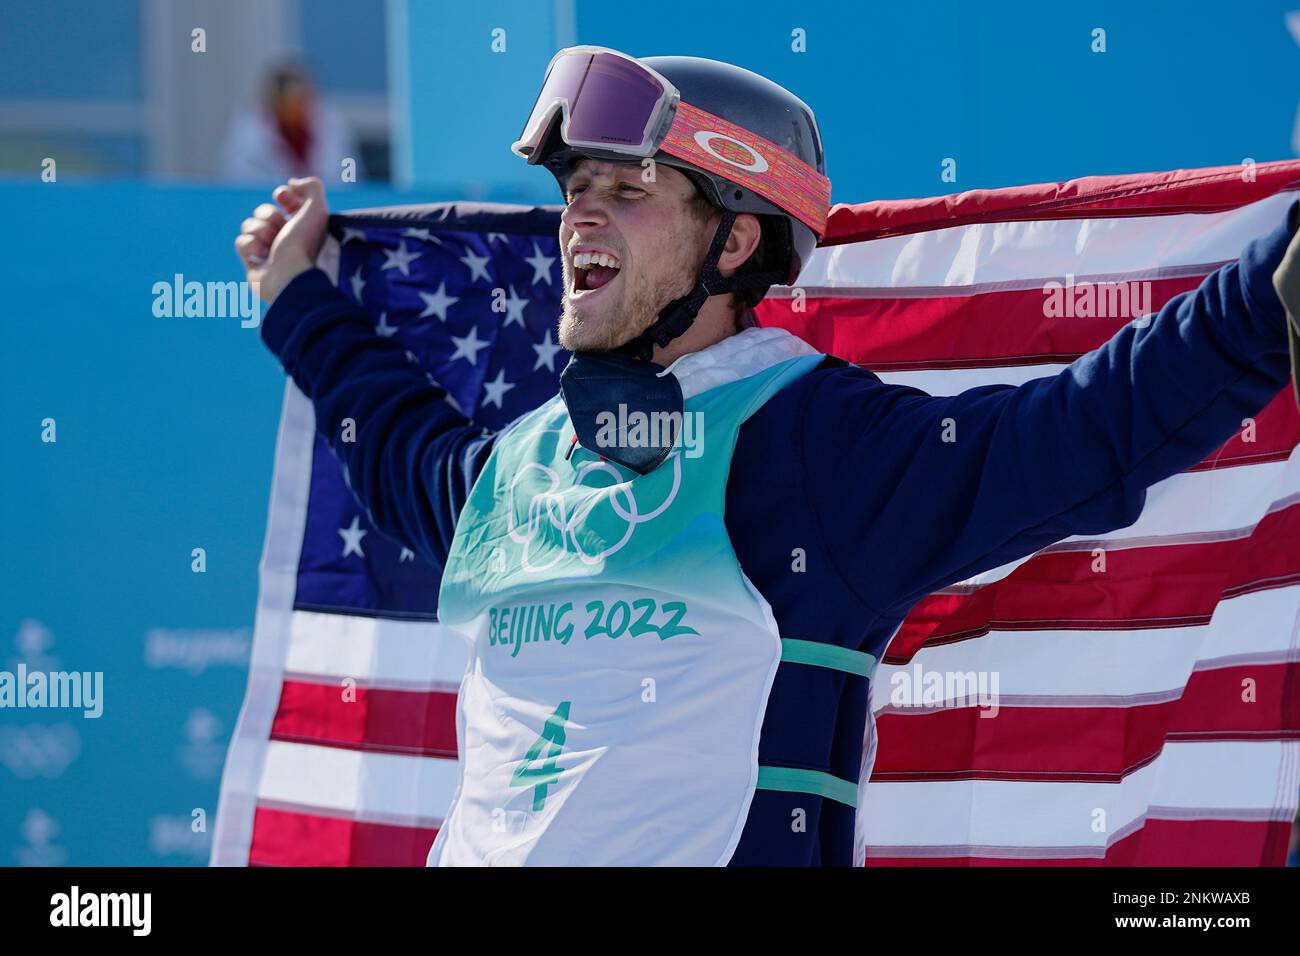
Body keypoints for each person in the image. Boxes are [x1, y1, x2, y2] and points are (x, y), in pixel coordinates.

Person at [235, 47, 1300, 866]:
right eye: (574, 191)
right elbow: (395, 446)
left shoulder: (814, 448)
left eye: (627, 189)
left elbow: (1082, 431)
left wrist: (1269, 297)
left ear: (735, 242)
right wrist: (296, 297)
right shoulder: (518, 465)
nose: (578, 218)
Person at [220, 60, 359, 184]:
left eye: (302, 100)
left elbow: (349, 178)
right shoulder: (249, 138)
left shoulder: (331, 126)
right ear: (275, 102)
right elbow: (240, 184)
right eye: (290, 102)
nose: (297, 108)